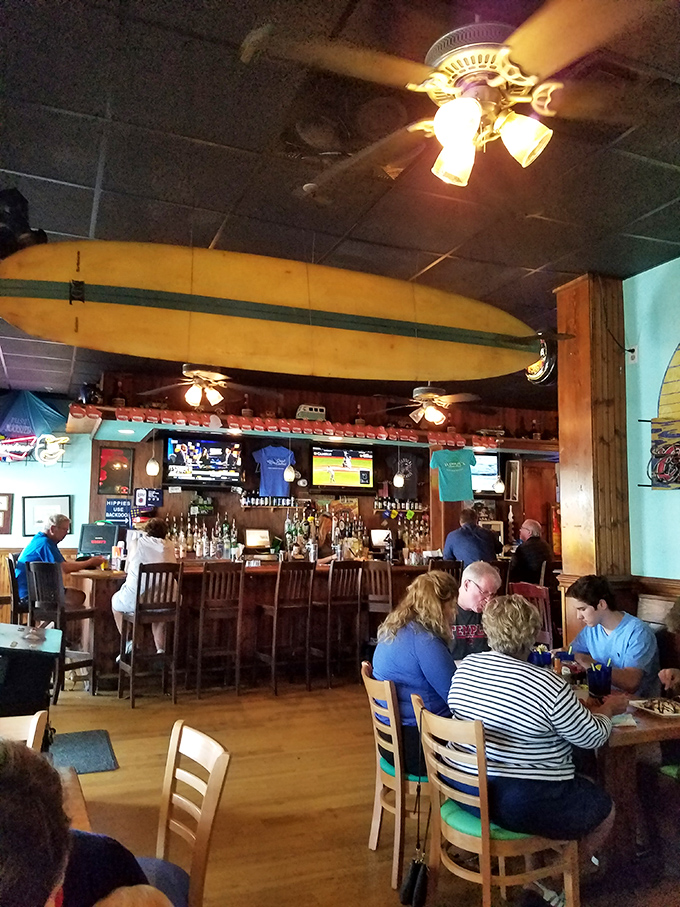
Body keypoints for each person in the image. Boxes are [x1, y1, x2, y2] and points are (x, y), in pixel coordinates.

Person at [447, 595, 627, 895]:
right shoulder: (546, 684)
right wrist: (609, 710)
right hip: (518, 803)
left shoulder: (466, 668)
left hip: (467, 791)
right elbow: (591, 736)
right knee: (605, 809)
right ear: (533, 634)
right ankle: (556, 884)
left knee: (552, 777)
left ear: (488, 629)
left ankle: (536, 877)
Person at [372, 570, 458, 775]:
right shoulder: (426, 641)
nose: (454, 613)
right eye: (452, 605)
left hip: (390, 740)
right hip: (418, 746)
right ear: (439, 606)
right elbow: (456, 698)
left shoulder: (395, 627)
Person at [567, 575, 660, 696]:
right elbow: (571, 651)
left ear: (601, 604)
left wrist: (591, 664)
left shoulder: (638, 633)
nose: (579, 616)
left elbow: (631, 682)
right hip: (602, 699)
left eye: (582, 609)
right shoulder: (592, 629)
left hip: (636, 707)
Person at [111, 518, 176, 654]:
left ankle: (129, 643)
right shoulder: (170, 545)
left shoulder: (136, 543)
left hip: (138, 601)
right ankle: (160, 651)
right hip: (167, 601)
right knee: (160, 613)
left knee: (115, 603)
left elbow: (127, 569)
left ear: (146, 531)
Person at [15, 512, 105, 606]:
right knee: (77, 597)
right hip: (32, 594)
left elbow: (62, 563)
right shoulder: (45, 543)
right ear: (53, 529)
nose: (66, 533)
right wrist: (90, 562)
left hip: (32, 590)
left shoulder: (41, 540)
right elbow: (64, 568)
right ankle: (55, 619)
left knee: (77, 596)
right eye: (64, 529)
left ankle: (51, 619)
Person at [450, 561, 502, 662]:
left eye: (492, 595)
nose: (488, 600)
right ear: (467, 585)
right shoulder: (444, 610)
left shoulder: (491, 611)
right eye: (484, 593)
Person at [509, 519, 553, 586]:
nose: (520, 530)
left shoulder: (523, 548)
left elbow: (512, 569)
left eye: (522, 528)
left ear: (529, 532)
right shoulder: (546, 546)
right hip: (547, 585)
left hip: (529, 585)